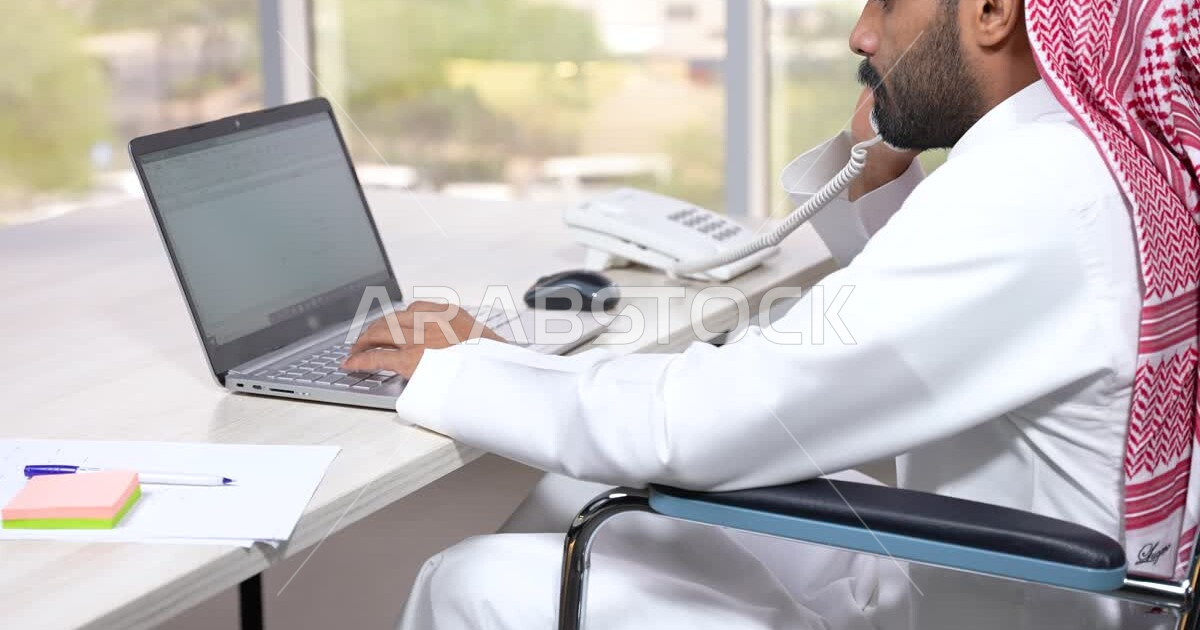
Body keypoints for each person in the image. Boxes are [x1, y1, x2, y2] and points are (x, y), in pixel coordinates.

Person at [343, 0, 1200, 627]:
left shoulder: (1035, 188)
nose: (862, 35)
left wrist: (466, 363)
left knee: (480, 582)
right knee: (581, 486)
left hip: (984, 592)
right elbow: (951, 331)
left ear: (990, 12)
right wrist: (876, 176)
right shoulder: (1100, 160)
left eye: (889, 3)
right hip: (986, 577)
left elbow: (702, 423)